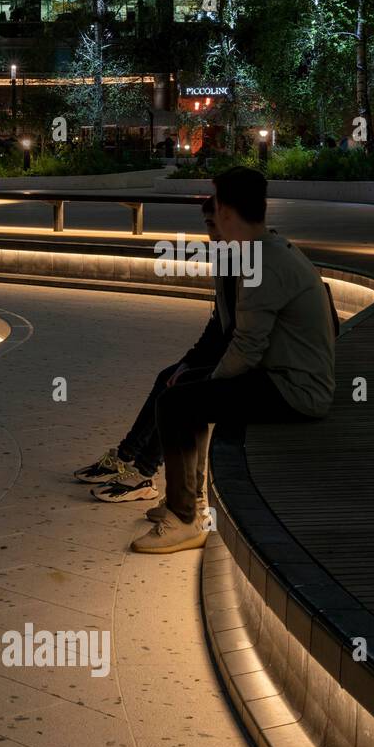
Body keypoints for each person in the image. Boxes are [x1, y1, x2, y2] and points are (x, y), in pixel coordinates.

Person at [132, 166, 336, 553]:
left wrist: (206, 383)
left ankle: (186, 518)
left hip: (295, 389)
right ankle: (188, 500)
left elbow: (246, 349)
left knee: (177, 402)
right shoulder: (262, 251)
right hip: (285, 376)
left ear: (225, 211)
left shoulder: (262, 263)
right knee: (185, 392)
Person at [74, 197, 235, 516]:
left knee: (179, 390)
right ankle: (124, 458)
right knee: (168, 375)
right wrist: (189, 361)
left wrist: (201, 369)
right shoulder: (228, 258)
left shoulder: (246, 263)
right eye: (207, 225)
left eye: (214, 225)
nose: (210, 234)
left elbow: (244, 335)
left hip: (248, 364)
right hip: (233, 355)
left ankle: (144, 475)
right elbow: (218, 324)